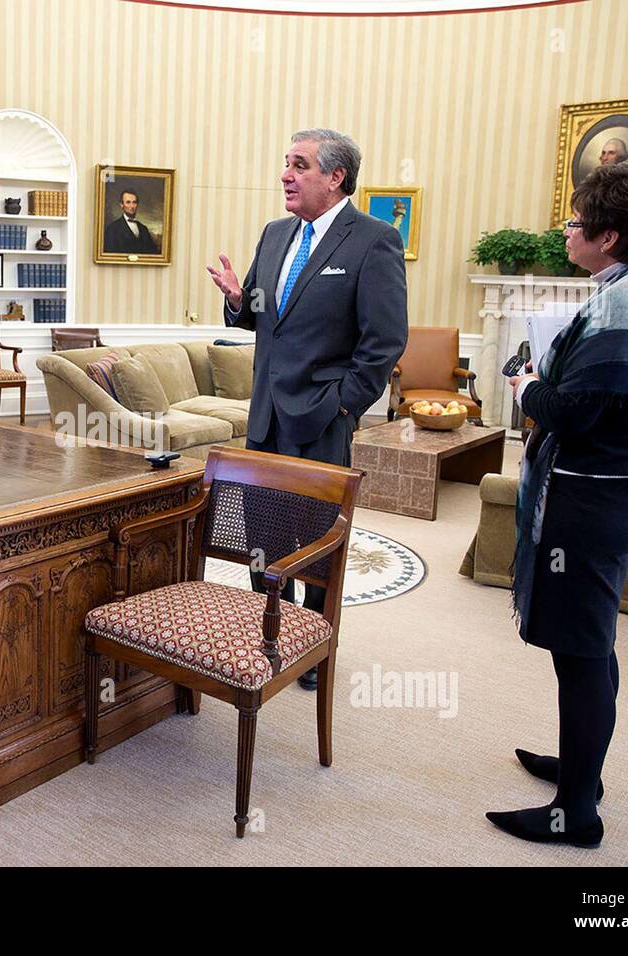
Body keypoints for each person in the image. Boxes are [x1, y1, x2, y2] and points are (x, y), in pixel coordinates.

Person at [489, 161, 628, 847]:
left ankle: (576, 812)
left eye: (575, 222)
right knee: (591, 643)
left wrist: (524, 383)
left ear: (606, 237)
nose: (566, 231)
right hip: (616, 496)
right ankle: (582, 769)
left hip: (592, 503)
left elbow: (573, 411)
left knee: (579, 650)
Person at [206, 127, 407, 690]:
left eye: (299, 165)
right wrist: (236, 300)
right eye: (285, 163)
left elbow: (385, 340)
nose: (285, 174)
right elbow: (259, 314)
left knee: (317, 540)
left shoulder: (373, 240)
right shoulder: (274, 234)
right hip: (265, 413)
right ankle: (271, 631)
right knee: (259, 536)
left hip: (321, 417)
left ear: (336, 176)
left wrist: (342, 406)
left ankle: (314, 642)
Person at [103, 189, 159, 254]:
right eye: (128, 202)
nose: (131, 206)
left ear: (137, 204)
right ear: (121, 205)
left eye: (134, 202)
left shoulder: (144, 229)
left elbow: (152, 254)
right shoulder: (112, 229)